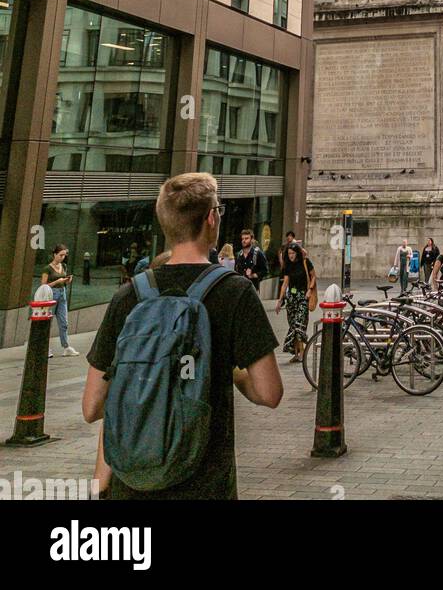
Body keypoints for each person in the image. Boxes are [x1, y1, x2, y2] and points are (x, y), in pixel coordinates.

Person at [83, 172, 282, 500]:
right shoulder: (235, 292)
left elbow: (92, 407)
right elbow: (269, 392)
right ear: (211, 218)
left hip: (130, 485)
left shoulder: (128, 295)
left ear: (165, 223)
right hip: (204, 485)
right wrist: (223, 365)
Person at [277, 241, 316, 363]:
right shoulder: (288, 265)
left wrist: (310, 290)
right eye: (289, 253)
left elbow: (313, 276)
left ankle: (302, 353)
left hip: (303, 297)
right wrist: (280, 300)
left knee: (299, 325)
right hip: (291, 299)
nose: (291, 255)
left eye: (293, 253)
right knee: (293, 326)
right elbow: (285, 283)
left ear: (297, 253)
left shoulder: (305, 262)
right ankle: (297, 353)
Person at [41, 245, 79, 357]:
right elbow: (43, 285)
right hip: (51, 294)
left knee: (64, 322)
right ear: (55, 254)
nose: (62, 257)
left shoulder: (64, 266)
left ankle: (66, 346)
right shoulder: (47, 268)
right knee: (48, 322)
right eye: (60, 255)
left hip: (62, 294)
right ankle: (45, 348)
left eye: (64, 255)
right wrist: (57, 281)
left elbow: (64, 282)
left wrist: (67, 281)